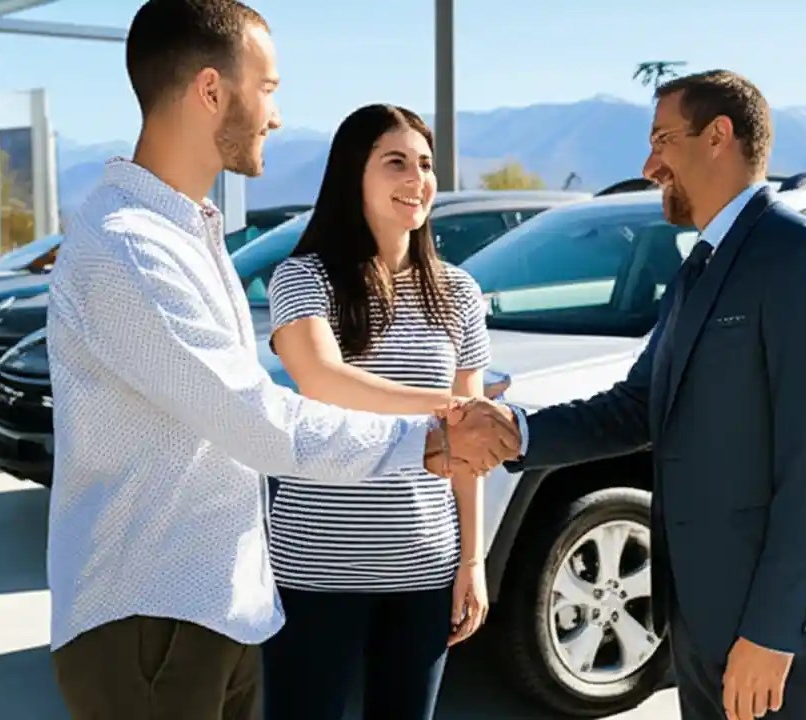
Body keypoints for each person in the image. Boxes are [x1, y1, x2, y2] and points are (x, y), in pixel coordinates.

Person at [44, 2, 518, 718]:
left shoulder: (182, 232)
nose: (275, 114)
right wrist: (437, 435)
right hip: (153, 616)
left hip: (210, 611)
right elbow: (259, 421)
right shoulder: (130, 246)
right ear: (211, 91)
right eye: (267, 87)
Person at [504, 69, 806, 719]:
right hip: (700, 609)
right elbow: (638, 407)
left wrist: (772, 633)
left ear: (718, 136)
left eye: (663, 139)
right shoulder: (701, 265)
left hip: (770, 628)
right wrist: (514, 432)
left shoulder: (803, 256)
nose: (650, 163)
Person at [259, 103, 493, 719]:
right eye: (395, 163)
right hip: (315, 567)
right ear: (351, 175)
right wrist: (451, 406)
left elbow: (467, 450)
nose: (416, 180)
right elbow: (323, 381)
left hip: (425, 566)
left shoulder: (459, 291)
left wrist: (473, 560)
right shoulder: (302, 277)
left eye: (425, 164)